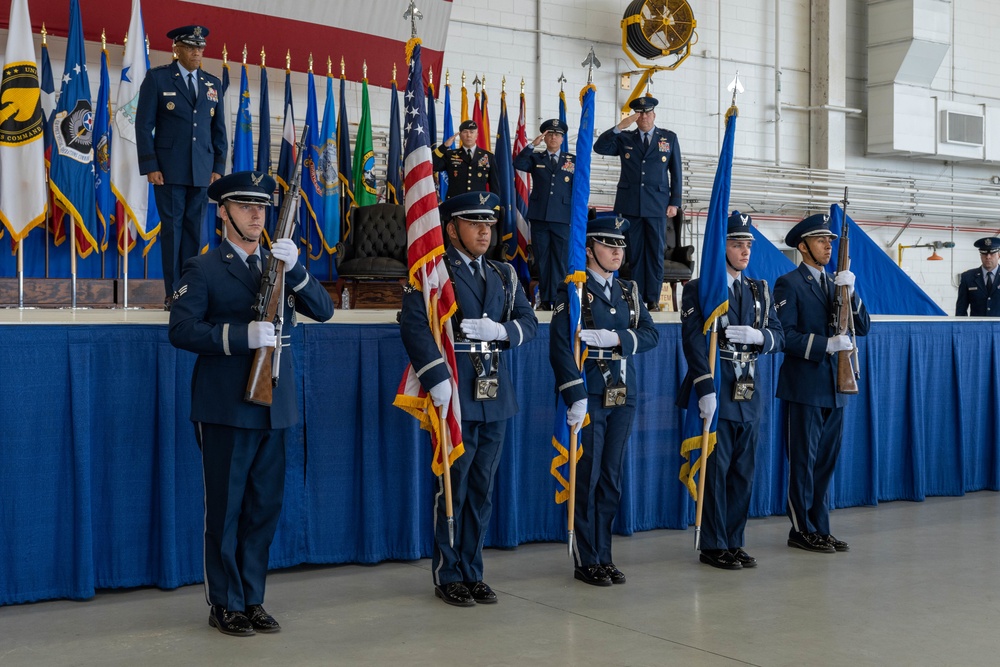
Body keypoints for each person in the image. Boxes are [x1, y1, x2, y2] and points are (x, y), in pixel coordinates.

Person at [168, 171, 334, 636]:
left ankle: (252, 597)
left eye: (262, 207)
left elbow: (324, 309)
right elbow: (181, 330)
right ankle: (225, 602)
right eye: (245, 206)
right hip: (224, 405)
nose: (257, 214)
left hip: (274, 403)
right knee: (226, 508)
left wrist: (298, 268)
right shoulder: (202, 267)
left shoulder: (280, 262)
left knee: (264, 507)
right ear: (222, 212)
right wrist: (240, 336)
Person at [399, 191, 537, 607]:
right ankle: (449, 574)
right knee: (453, 486)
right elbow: (414, 326)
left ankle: (473, 570)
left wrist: (501, 332)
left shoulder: (504, 274)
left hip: (495, 392)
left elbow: (528, 322)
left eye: (489, 223)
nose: (484, 230)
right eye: (474, 222)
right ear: (452, 228)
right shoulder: (434, 271)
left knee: (482, 488)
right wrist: (436, 376)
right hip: (456, 390)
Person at [549, 213, 658, 586]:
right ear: (589, 249)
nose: (617, 252)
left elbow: (650, 334)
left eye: (620, 245)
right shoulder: (574, 291)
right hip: (591, 393)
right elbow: (561, 348)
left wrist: (617, 339)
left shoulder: (628, 290)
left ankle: (605, 554)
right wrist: (574, 394)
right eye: (609, 245)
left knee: (611, 478)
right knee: (588, 476)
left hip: (623, 393)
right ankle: (586, 558)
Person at [677, 211, 784, 570]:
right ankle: (713, 543)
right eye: (737, 244)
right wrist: (705, 389)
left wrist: (761, 337)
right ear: (720, 247)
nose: (744, 251)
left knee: (743, 471)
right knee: (716, 470)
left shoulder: (759, 291)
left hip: (748, 392)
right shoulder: (700, 289)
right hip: (718, 388)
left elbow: (780, 335)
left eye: (748, 245)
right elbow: (693, 343)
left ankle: (735, 540)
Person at [773, 212, 870, 554]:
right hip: (804, 386)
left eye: (830, 240)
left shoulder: (836, 283)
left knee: (825, 463)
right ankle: (801, 529)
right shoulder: (790, 283)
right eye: (820, 241)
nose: (828, 245)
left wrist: (852, 291)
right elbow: (785, 335)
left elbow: (864, 325)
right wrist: (825, 344)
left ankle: (821, 527)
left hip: (835, 387)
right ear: (802, 247)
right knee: (803, 462)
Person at [137, 25, 227, 309]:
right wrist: (150, 165)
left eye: (200, 48)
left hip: (201, 170)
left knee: (193, 231)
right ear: (176, 49)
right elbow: (143, 125)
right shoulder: (158, 78)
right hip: (168, 170)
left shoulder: (212, 84)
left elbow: (219, 129)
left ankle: (189, 292)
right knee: (172, 231)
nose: (197, 53)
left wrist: (218, 166)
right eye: (191, 48)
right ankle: (172, 293)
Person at [593, 95, 682, 311]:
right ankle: (636, 297)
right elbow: (599, 147)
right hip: (630, 204)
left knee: (654, 252)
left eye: (648, 113)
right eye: (640, 114)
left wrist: (675, 202)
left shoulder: (668, 138)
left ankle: (652, 299)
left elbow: (676, 171)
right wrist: (619, 126)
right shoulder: (625, 138)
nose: (644, 117)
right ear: (635, 117)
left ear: (654, 115)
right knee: (634, 252)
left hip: (657, 205)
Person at [513, 118, 575, 310]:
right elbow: (518, 163)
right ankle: (546, 299)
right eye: (550, 134)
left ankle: (558, 297)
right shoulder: (536, 158)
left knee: (560, 258)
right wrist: (532, 145)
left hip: (562, 216)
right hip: (540, 216)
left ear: (562, 138)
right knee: (542, 258)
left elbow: (579, 187)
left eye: (557, 134)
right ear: (545, 137)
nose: (553, 137)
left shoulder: (572, 160)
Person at [433, 120, 500, 199]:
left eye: (472, 132)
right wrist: (444, 146)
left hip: (478, 204)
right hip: (455, 205)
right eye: (465, 132)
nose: (468, 135)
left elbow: (494, 185)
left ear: (477, 135)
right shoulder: (450, 155)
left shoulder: (488, 156)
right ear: (460, 135)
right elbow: (433, 166)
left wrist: (495, 207)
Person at [955, 236, 1000, 316]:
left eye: (992, 253)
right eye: (984, 253)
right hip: (977, 328)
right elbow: (961, 309)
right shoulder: (968, 277)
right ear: (980, 255)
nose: (988, 257)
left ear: (998, 255)